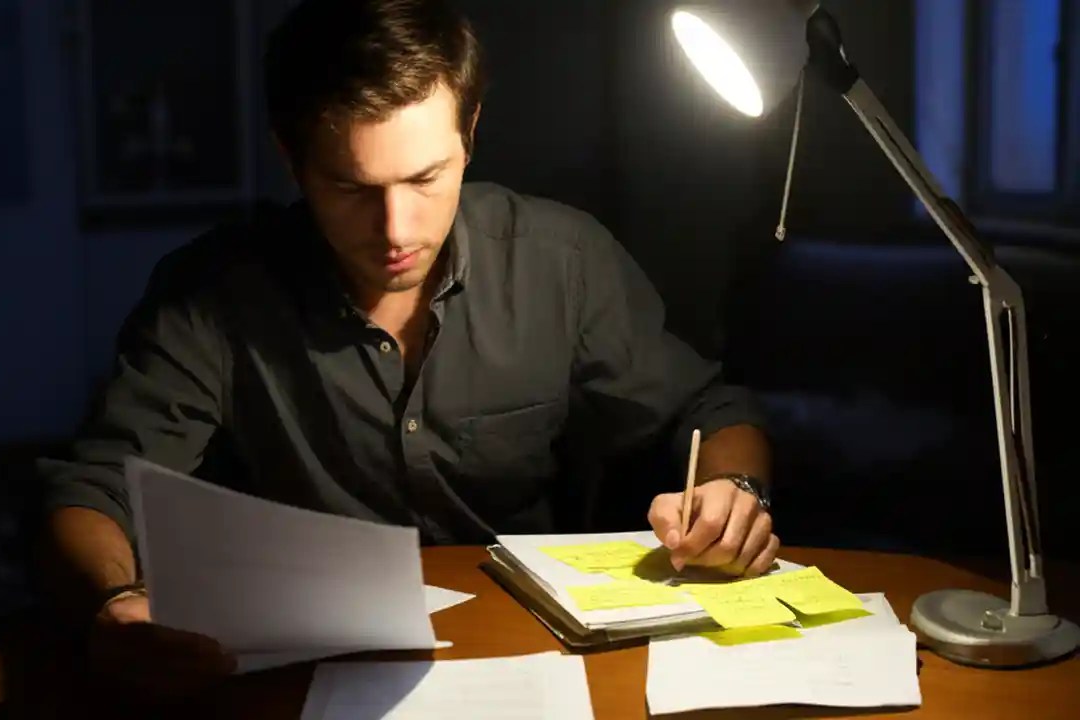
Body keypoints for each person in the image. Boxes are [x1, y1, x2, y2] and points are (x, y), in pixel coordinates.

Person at [38, 0, 777, 703]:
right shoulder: (214, 293)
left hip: (532, 659)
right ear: (290, 160)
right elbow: (95, 485)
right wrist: (114, 602)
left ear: (471, 132)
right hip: (302, 669)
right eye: (351, 187)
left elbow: (710, 408)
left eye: (426, 178)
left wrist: (734, 496)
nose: (395, 229)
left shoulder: (560, 261)